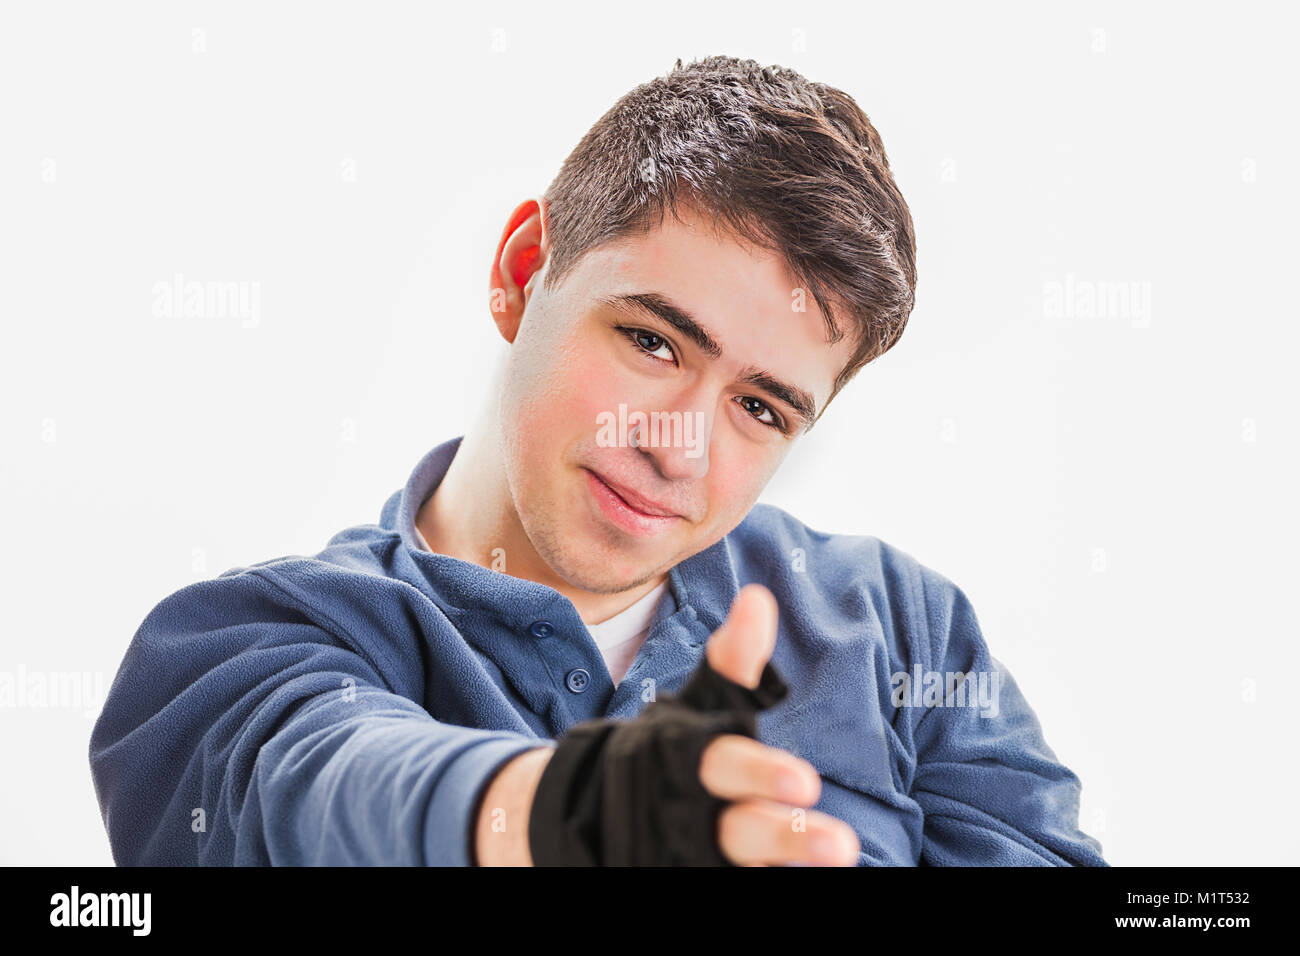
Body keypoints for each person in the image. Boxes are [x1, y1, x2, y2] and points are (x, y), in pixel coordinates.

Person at [89, 55, 1106, 867]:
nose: (679, 449)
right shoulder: (243, 652)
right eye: (653, 342)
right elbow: (321, 787)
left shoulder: (906, 632)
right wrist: (550, 814)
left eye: (759, 406)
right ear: (522, 272)